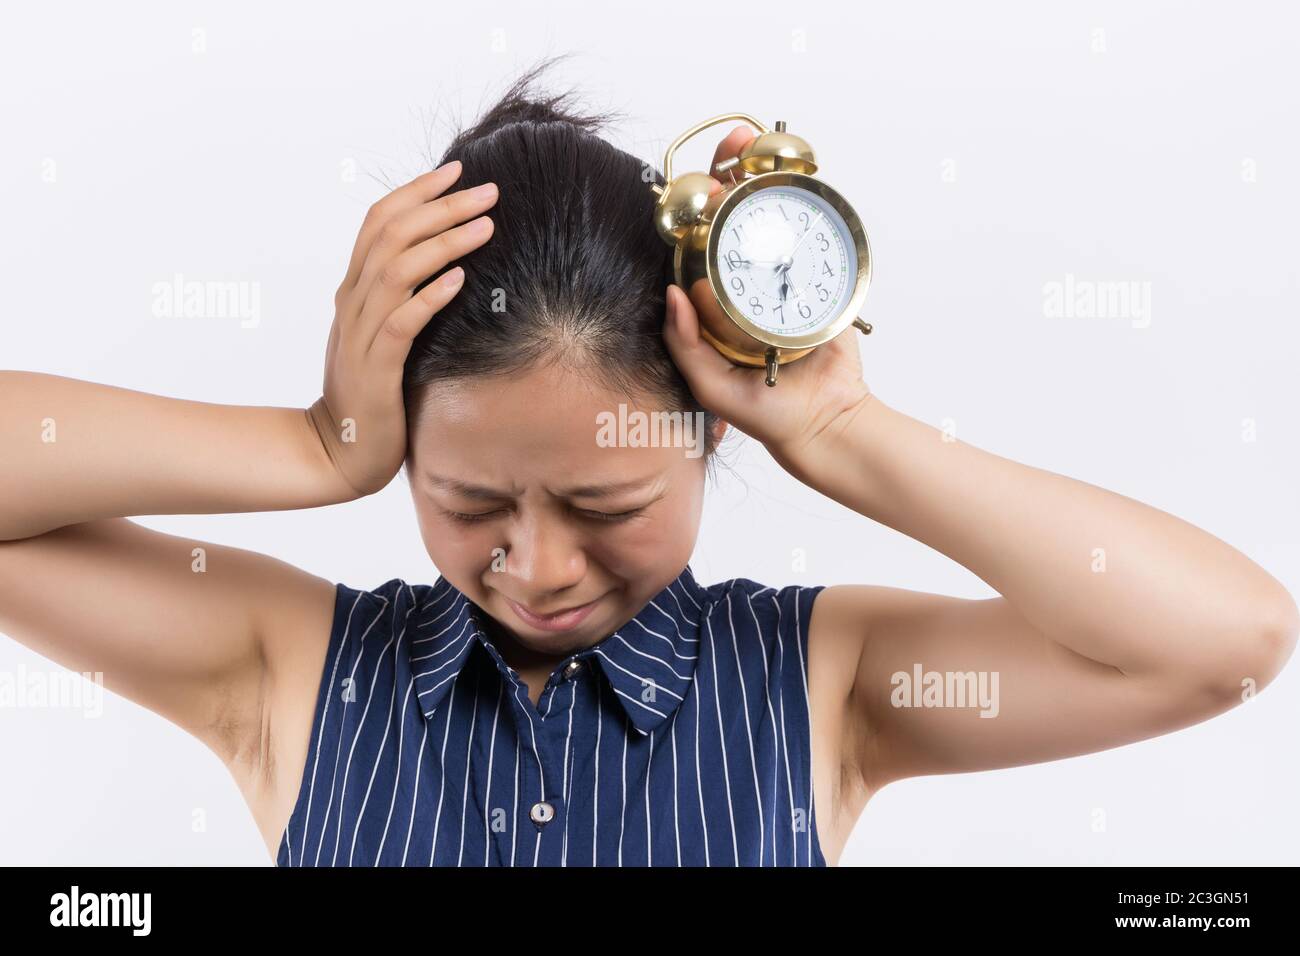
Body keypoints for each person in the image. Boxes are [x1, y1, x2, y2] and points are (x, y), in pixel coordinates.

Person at [1, 57, 1295, 867]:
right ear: (405, 458)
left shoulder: (822, 689)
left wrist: (846, 434)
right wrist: (311, 444)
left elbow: (1224, 641)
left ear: (712, 425)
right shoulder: (289, 671)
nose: (538, 567)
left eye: (603, 499)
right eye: (467, 502)